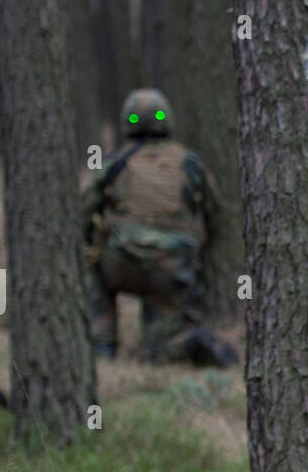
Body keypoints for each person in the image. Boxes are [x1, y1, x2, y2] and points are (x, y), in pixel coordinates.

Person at [82, 88, 236, 367]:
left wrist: (89, 242)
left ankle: (101, 347)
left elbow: (84, 209)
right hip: (171, 267)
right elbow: (215, 212)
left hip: (122, 263)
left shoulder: (115, 163)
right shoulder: (190, 162)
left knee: (90, 266)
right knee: (159, 349)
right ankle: (185, 343)